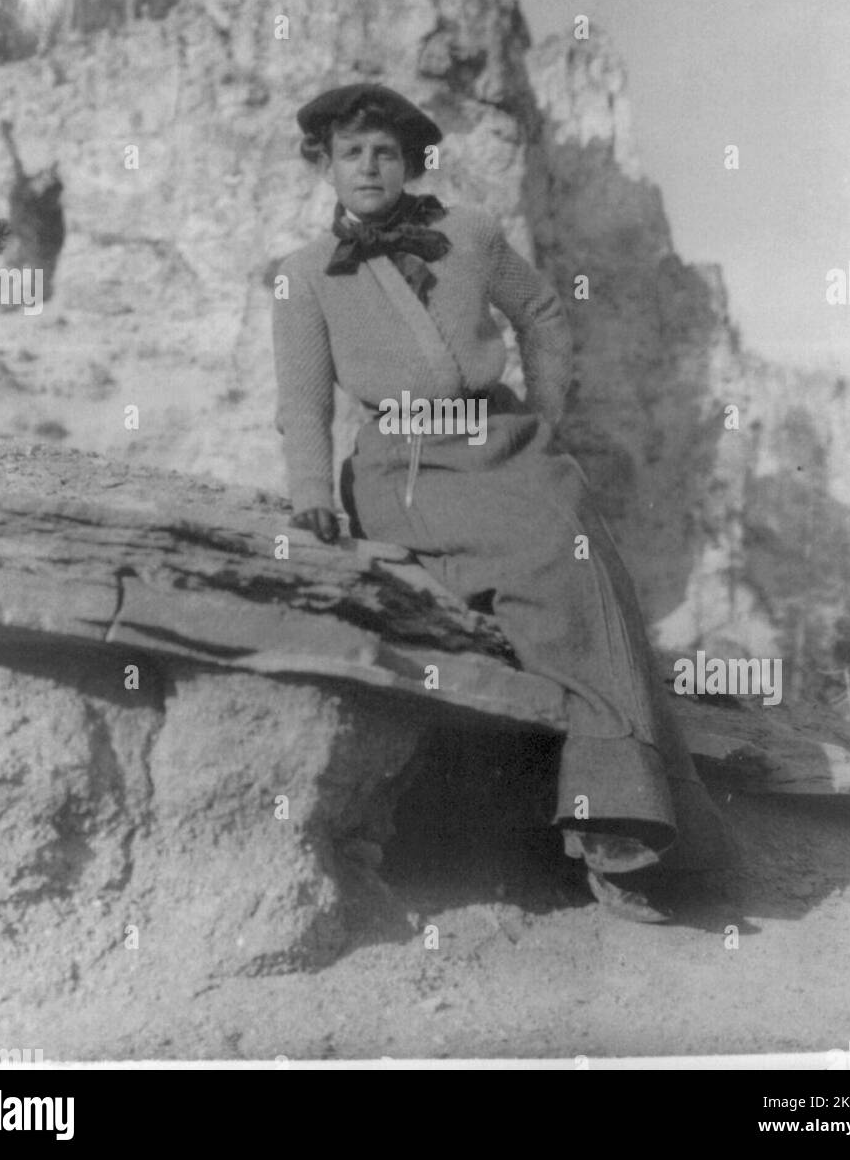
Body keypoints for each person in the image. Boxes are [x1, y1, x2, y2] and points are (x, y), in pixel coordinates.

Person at [272, 83, 733, 921]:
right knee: (545, 556)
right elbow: (302, 406)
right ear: (327, 167)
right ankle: (611, 820)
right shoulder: (305, 277)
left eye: (385, 153)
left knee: (586, 554)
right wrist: (310, 495)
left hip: (506, 441)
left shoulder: (471, 234)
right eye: (351, 154)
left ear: (412, 163)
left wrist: (546, 419)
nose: (369, 167)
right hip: (406, 466)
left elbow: (545, 314)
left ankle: (642, 805)